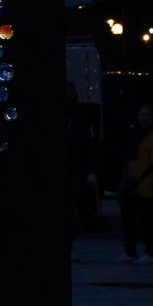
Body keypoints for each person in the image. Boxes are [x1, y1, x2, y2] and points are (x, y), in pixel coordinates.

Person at [114, 104, 153, 265]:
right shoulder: (139, 135)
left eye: (147, 116)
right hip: (133, 186)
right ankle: (130, 251)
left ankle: (149, 251)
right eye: (141, 115)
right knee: (128, 220)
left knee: (148, 222)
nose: (143, 119)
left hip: (147, 187)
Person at [65, 82, 97, 261]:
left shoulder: (80, 116)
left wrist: (90, 169)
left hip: (74, 168)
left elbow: (87, 144)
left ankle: (68, 243)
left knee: (70, 208)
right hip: (67, 167)